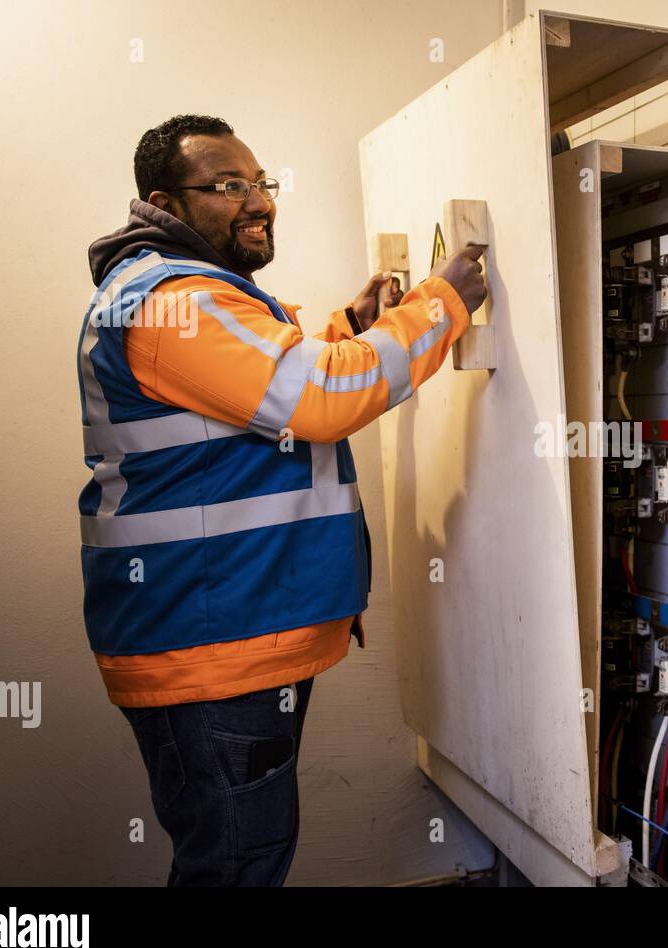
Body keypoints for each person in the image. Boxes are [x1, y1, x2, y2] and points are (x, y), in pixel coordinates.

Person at [77, 114, 485, 885]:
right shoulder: (173, 300)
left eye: (261, 182)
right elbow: (320, 395)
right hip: (210, 644)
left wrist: (349, 327)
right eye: (229, 186)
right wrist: (441, 305)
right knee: (236, 868)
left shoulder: (188, 292)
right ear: (164, 201)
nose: (258, 201)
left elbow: (265, 381)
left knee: (239, 859)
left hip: (220, 632)